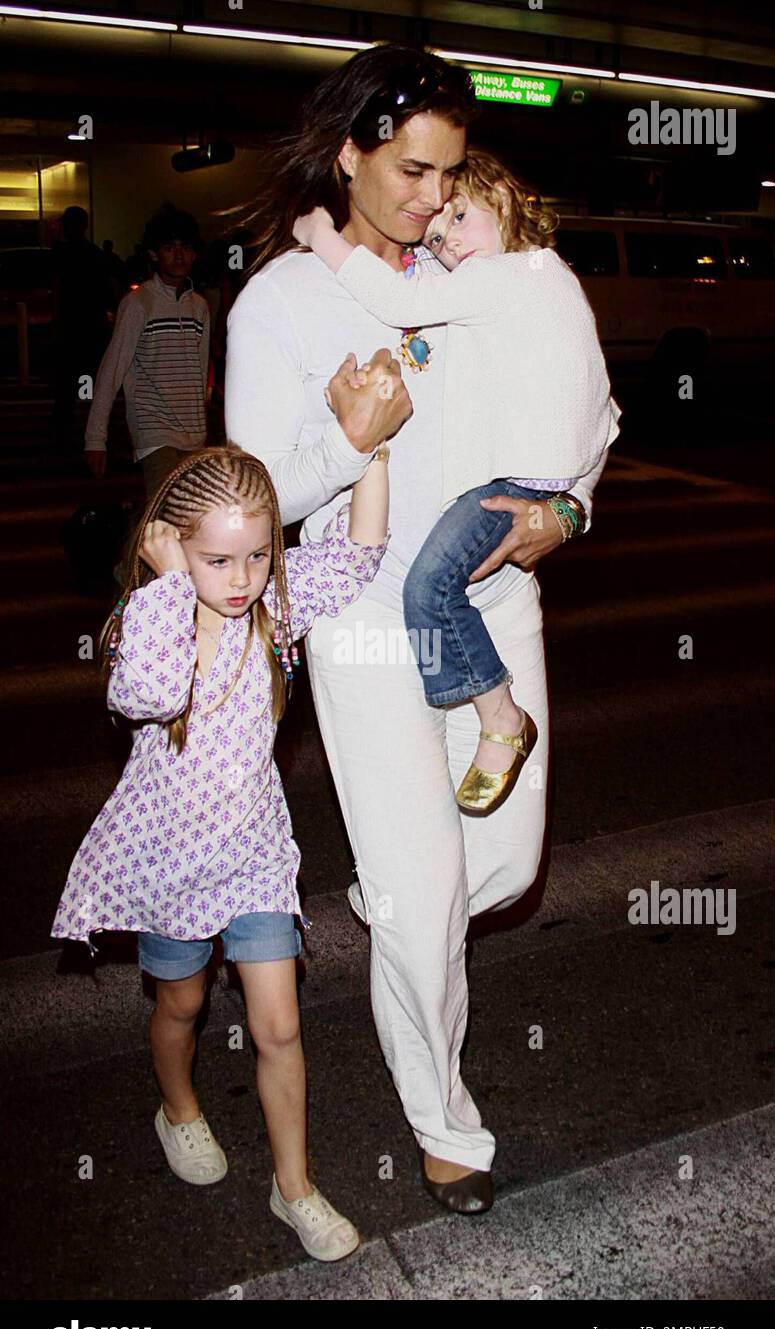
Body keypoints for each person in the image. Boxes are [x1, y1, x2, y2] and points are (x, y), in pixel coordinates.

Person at [225, 43, 612, 1214]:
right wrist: (344, 444)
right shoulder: (282, 301)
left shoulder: (474, 265)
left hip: (494, 605)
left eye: (448, 171)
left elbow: (580, 414)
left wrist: (566, 508)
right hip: (366, 630)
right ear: (349, 155)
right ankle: (447, 1125)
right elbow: (254, 497)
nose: (432, 195)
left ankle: (402, 901)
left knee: (504, 861)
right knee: (426, 892)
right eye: (408, 168)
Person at [50, 443, 391, 1261]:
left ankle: (294, 1187)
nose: (241, 578)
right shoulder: (151, 621)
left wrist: (372, 447)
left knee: (278, 1025)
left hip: (254, 858)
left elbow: (359, 553)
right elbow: (150, 694)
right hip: (170, 866)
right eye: (216, 559)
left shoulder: (273, 603)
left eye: (257, 554)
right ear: (169, 545)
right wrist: (169, 585)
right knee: (182, 1007)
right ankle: (177, 1109)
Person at [292, 148, 621, 815]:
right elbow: (599, 405)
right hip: (500, 500)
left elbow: (395, 297)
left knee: (431, 588)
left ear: (501, 195)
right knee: (434, 594)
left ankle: (500, 717)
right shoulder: (539, 278)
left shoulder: (500, 277)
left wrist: (319, 236)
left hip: (512, 490)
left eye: (460, 215)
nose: (448, 243)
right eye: (438, 237)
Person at [84, 206, 210, 497]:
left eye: (186, 248)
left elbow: (201, 373)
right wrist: (95, 439)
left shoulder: (200, 307)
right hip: (155, 431)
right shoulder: (139, 304)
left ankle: (132, 538)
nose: (179, 256)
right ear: (153, 254)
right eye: (169, 248)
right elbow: (111, 370)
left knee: (188, 519)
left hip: (193, 433)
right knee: (167, 515)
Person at [50, 205, 113, 452]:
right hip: (90, 328)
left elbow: (57, 290)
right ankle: (87, 428)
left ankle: (65, 432)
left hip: (72, 327)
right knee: (86, 380)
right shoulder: (95, 254)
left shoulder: (61, 254)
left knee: (66, 384)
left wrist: (56, 324)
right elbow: (106, 291)